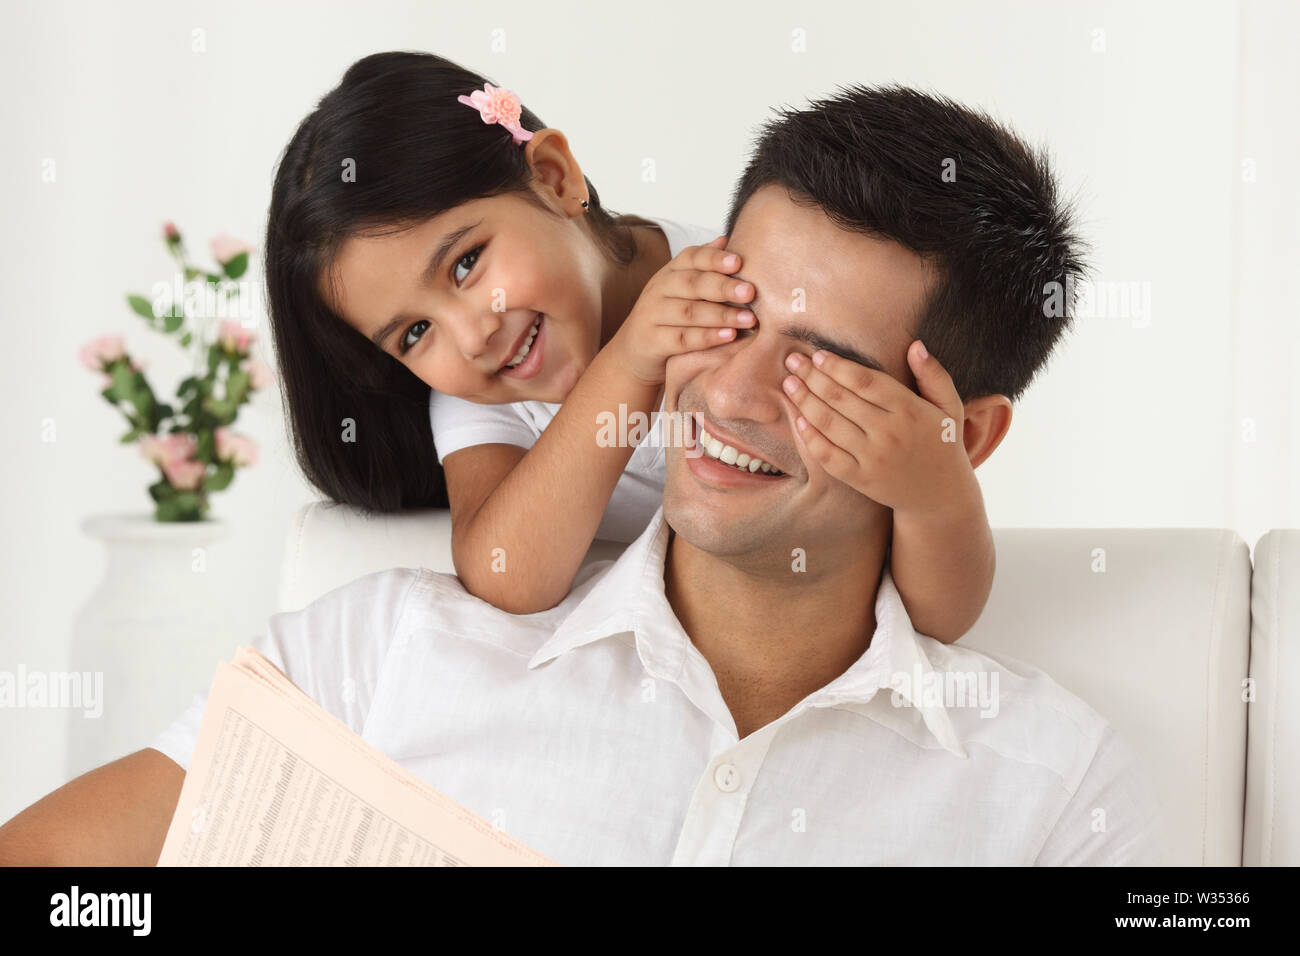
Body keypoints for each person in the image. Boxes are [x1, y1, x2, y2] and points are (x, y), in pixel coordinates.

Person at [0, 84, 1166, 866]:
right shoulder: (377, 660)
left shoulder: (1056, 788)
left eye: (822, 365)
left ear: (963, 434)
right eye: (731, 312)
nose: (727, 389)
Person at [266, 51, 996, 643]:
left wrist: (938, 495)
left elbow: (933, 620)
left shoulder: (738, 281)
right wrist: (629, 361)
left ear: (554, 179)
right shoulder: (478, 403)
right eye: (415, 333)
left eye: (465, 265)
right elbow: (507, 576)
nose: (473, 334)